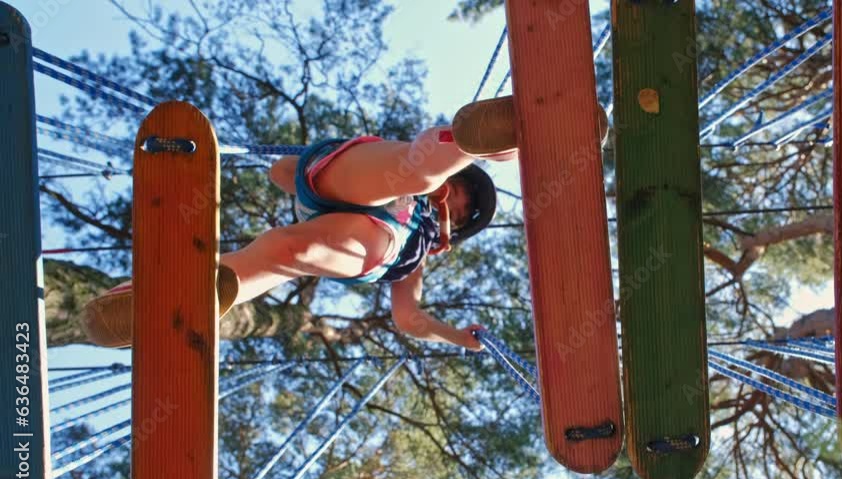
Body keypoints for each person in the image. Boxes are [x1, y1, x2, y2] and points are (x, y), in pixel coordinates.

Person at [81, 96, 608, 350]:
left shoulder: (418, 257)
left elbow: (410, 319)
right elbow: (282, 172)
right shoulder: (421, 195)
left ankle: (173, 296)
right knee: (411, 173)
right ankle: (475, 143)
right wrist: (291, 170)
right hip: (362, 181)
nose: (450, 201)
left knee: (291, 252)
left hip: (384, 240)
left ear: (454, 233)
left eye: (460, 208)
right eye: (457, 188)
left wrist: (460, 338)